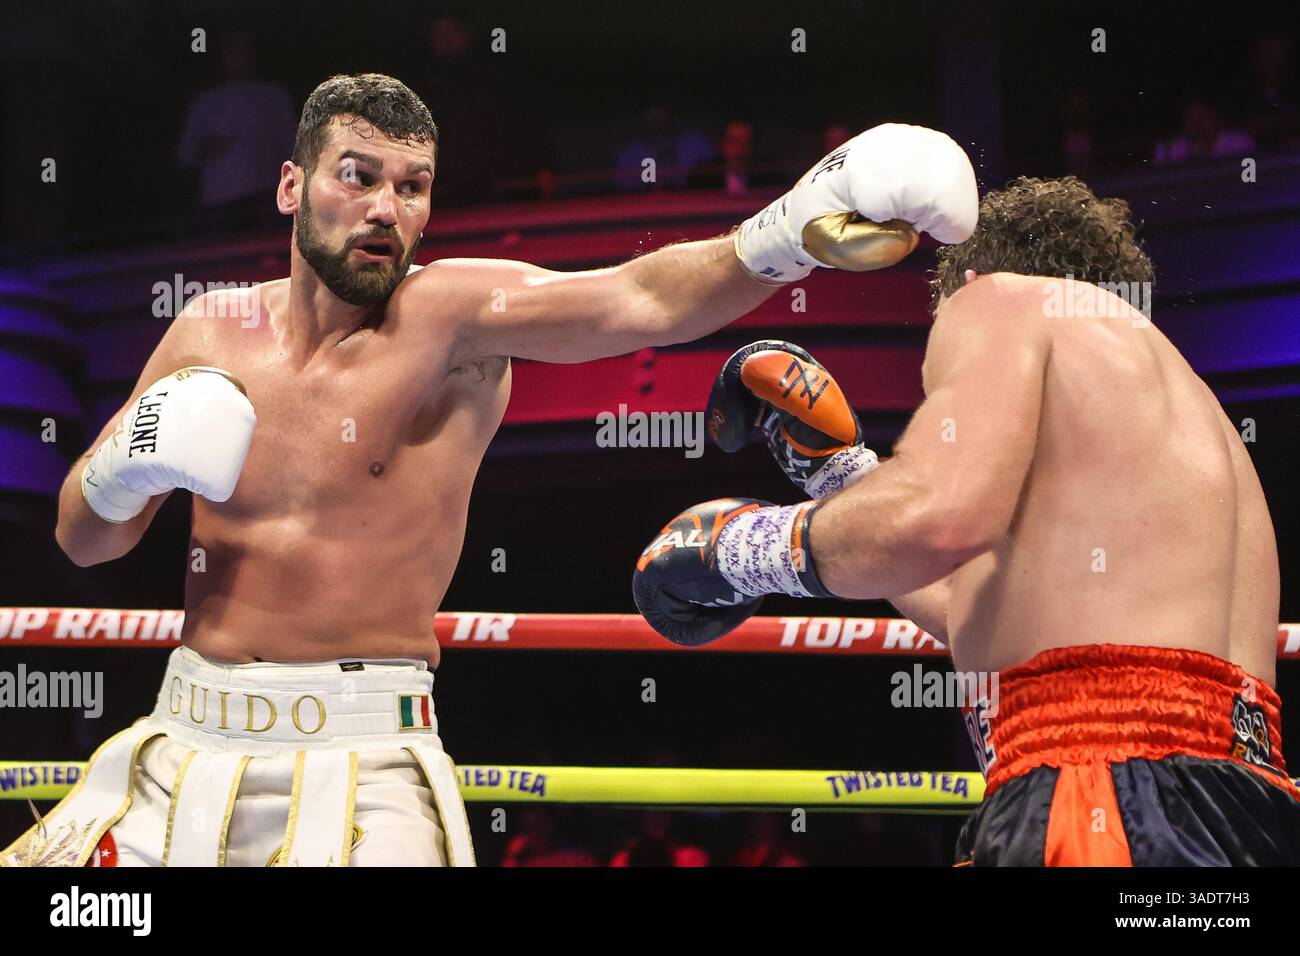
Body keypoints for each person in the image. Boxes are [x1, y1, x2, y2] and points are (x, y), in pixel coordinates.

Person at [1, 73, 977, 867]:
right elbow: (81, 542)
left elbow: (640, 298)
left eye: (412, 185)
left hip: (363, 758)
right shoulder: (206, 328)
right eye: (357, 175)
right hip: (182, 734)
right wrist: (126, 471)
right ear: (292, 186)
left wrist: (788, 225)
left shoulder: (454, 317)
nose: (386, 205)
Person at [634, 175, 1300, 866]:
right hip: (1246, 803)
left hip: (1102, 793)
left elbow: (937, 520)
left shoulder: (998, 299)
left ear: (968, 280)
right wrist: (839, 479)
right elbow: (979, 610)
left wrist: (741, 550)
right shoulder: (1198, 420)